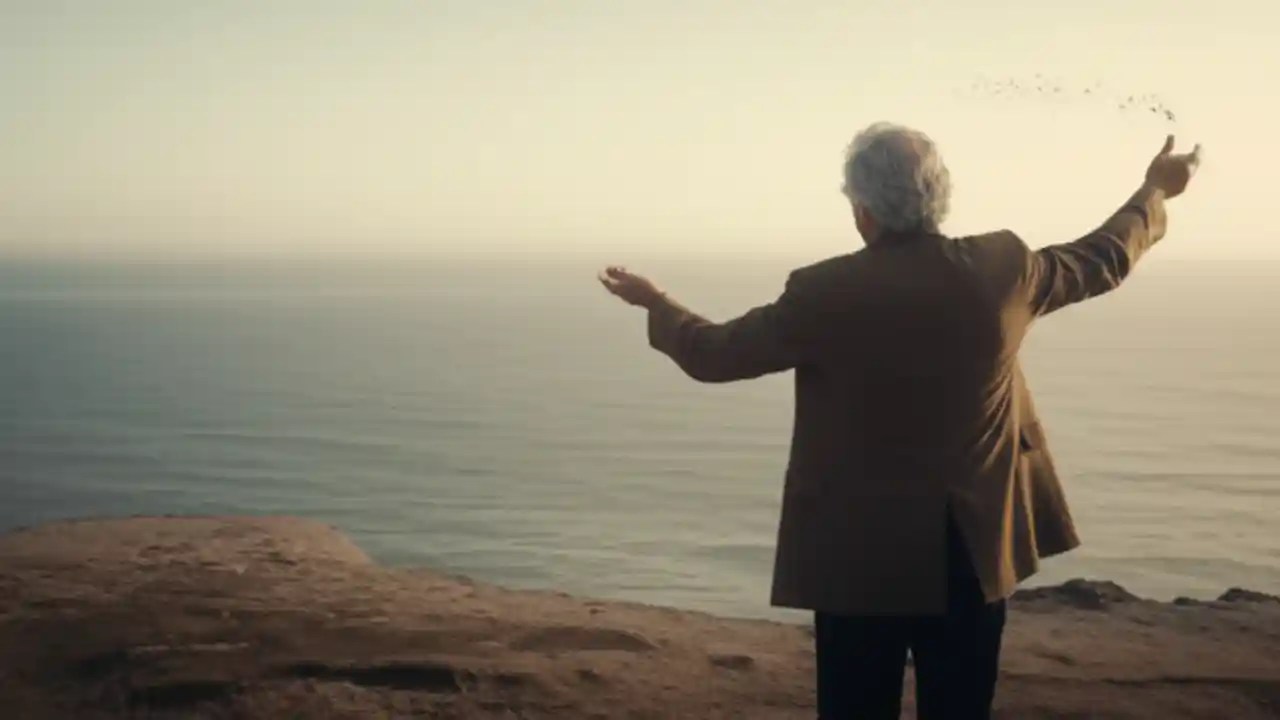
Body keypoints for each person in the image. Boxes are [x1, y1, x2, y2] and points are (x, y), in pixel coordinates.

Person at [598, 124, 1202, 719]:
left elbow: (715, 354)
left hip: (857, 559)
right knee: (961, 706)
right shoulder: (1003, 269)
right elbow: (1103, 258)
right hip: (972, 548)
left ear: (862, 210)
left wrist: (656, 304)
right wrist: (1154, 191)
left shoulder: (824, 291)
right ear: (938, 197)